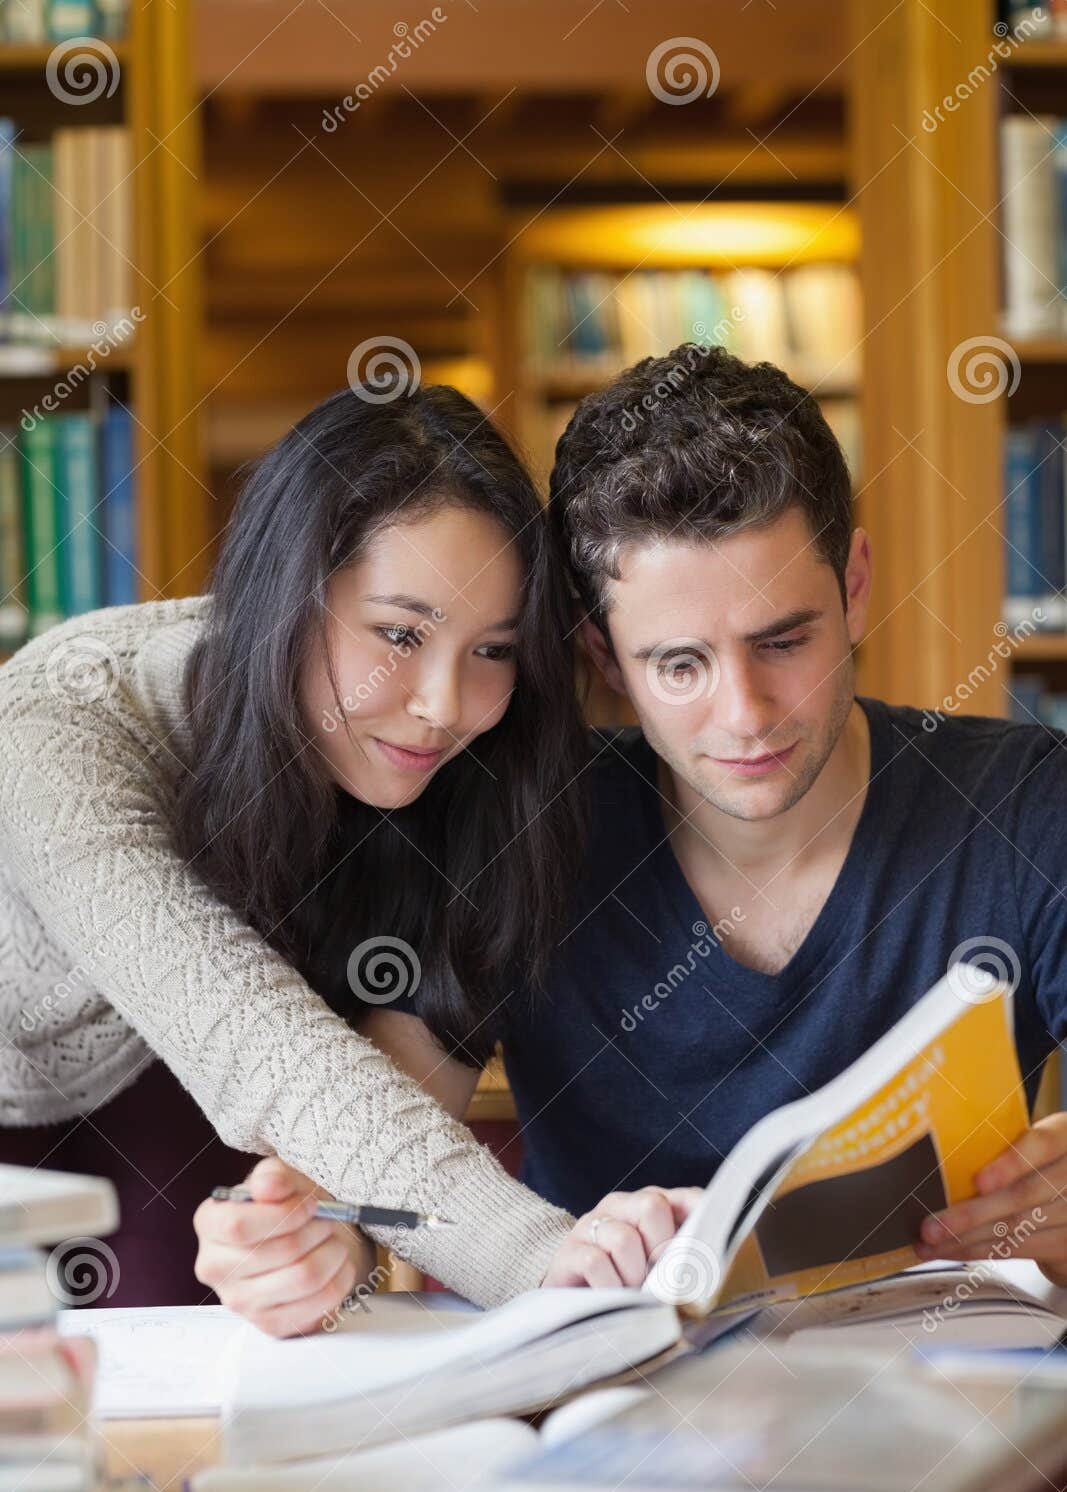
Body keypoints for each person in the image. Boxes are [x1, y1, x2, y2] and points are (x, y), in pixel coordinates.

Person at [211, 343, 1067, 1331]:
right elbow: (362, 1157)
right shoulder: (530, 825)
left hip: (945, 1405)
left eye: (782, 640)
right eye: (677, 664)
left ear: (857, 585)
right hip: (606, 1411)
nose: (744, 713)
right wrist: (301, 1239)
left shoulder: (1024, 803)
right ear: (599, 654)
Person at [0, 383, 699, 1321]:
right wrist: (547, 1266)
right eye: (399, 635)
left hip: (239, 1102)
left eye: (492, 651)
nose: (445, 705)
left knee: (227, 1392)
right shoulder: (63, 725)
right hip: (94, 1099)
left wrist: (337, 1227)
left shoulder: (484, 768)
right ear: (286, 593)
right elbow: (250, 1044)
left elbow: (378, 1098)